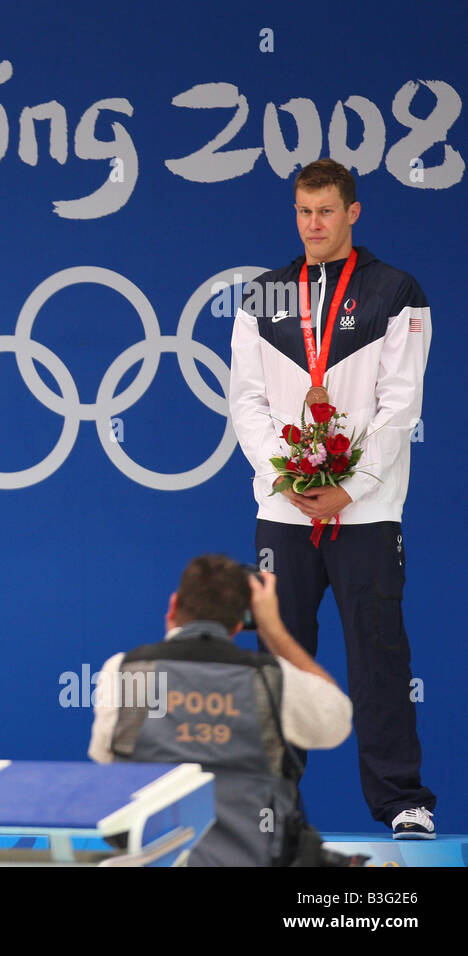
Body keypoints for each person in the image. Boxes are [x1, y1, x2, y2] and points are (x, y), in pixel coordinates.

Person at [228, 158, 436, 839]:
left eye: (325, 211)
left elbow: (400, 408)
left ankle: (403, 800)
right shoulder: (263, 295)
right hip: (284, 511)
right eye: (302, 212)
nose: (313, 224)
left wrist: (348, 486)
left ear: (353, 212)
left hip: (367, 512)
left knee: (378, 656)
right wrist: (290, 480)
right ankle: (269, 806)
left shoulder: (396, 291)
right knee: (279, 656)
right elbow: (247, 403)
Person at [89, 555, 353, 866]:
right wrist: (274, 631)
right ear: (242, 622)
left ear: (174, 606)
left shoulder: (126, 670)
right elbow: (337, 720)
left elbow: (106, 758)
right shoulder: (272, 678)